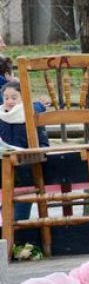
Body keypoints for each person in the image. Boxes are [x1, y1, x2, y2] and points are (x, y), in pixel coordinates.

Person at [1, 83, 49, 220]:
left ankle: (18, 233)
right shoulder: (1, 116)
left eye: (14, 97)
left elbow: (44, 144)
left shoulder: (31, 115)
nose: (9, 101)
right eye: (6, 98)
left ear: (24, 98)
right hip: (4, 167)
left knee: (19, 212)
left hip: (26, 168)